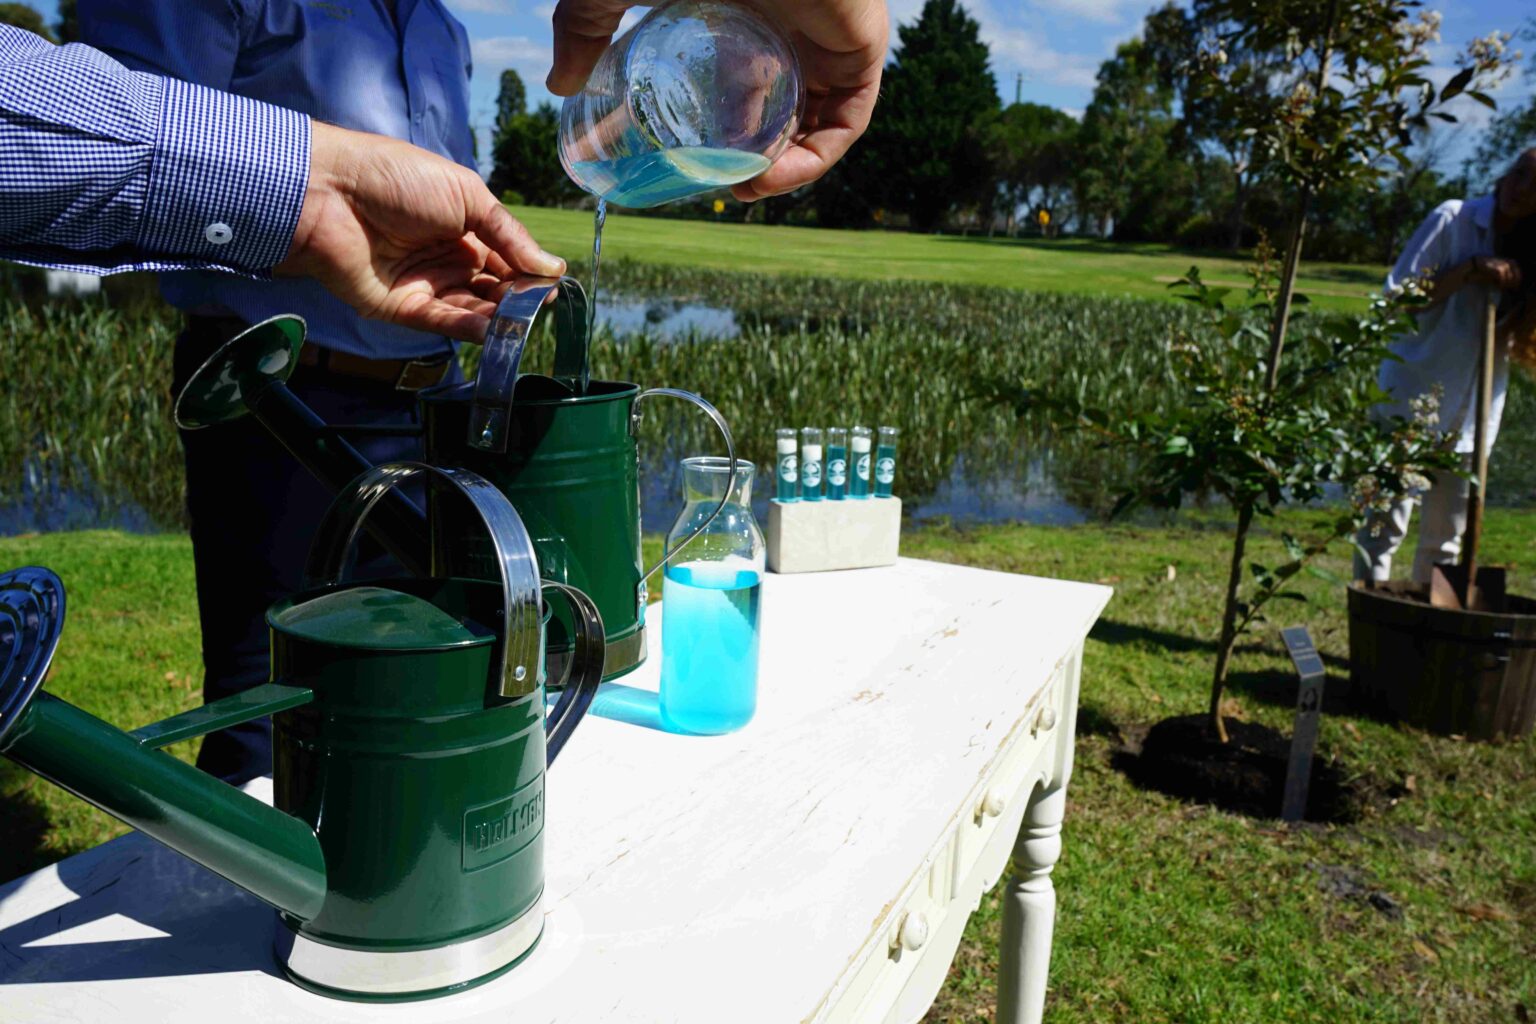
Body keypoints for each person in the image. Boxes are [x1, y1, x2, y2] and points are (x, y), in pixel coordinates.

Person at [3, 0, 885, 782]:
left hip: (441, 401)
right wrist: (309, 197)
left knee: (438, 665)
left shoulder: (438, 25)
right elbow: (128, 114)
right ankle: (240, 908)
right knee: (271, 693)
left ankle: (402, 837)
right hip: (285, 402)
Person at [1354, 148, 1536, 585]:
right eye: (1520, 174)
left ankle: (1424, 638)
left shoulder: (1531, 254)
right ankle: (1369, 633)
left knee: (1445, 540)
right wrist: (1469, 270)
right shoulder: (1452, 220)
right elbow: (1396, 301)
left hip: (1472, 416)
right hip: (1411, 398)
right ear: (1505, 174)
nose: (1522, 189)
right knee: (1381, 528)